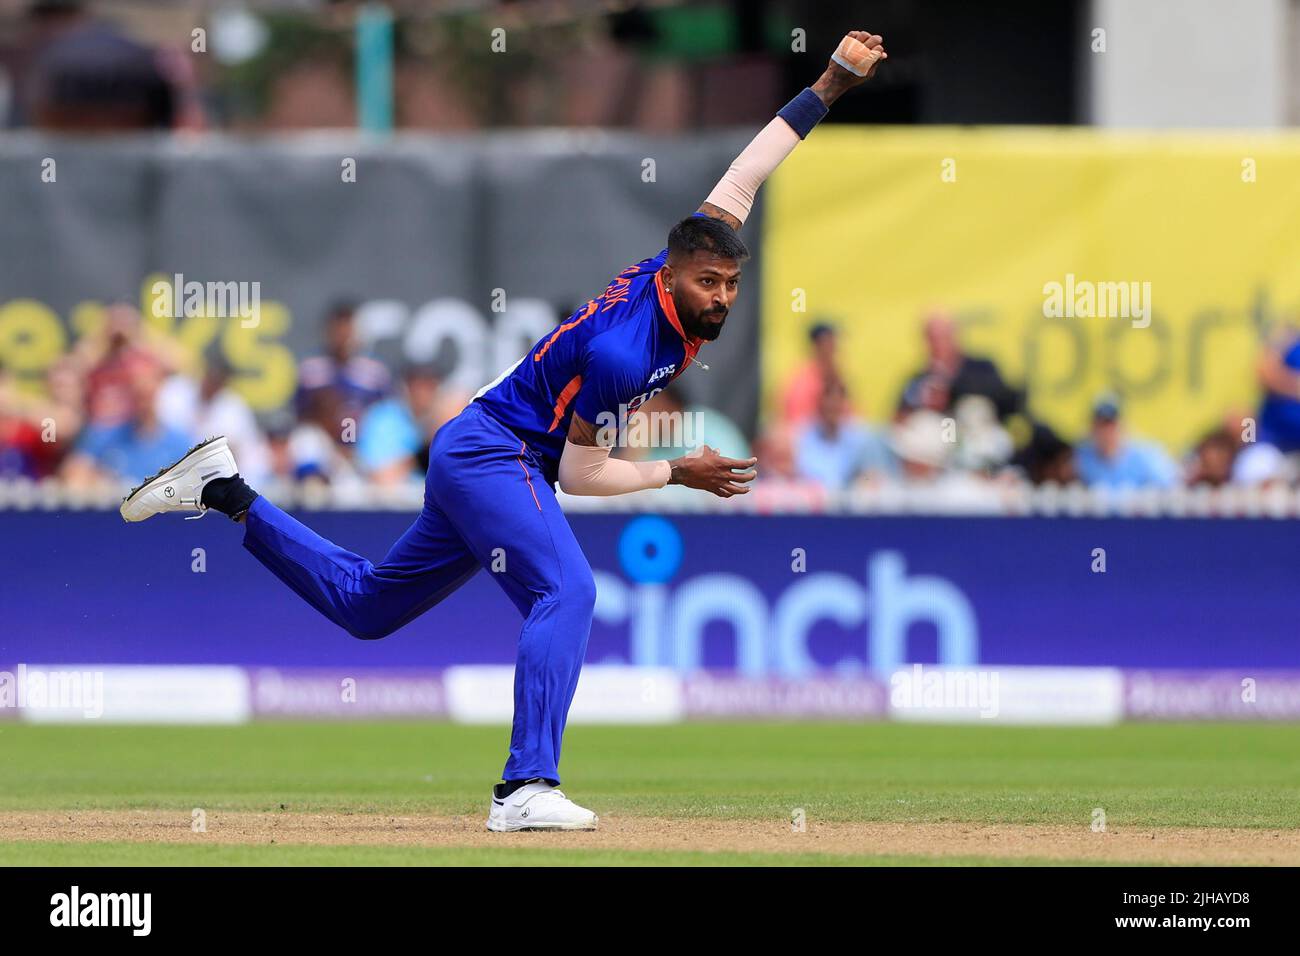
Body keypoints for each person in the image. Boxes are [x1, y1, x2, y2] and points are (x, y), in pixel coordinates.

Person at [117, 31, 887, 832]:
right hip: (495, 454)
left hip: (476, 451)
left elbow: (749, 168)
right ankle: (524, 788)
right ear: (671, 275)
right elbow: (582, 476)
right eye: (707, 284)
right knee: (570, 591)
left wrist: (830, 84)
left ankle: (225, 491)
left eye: (730, 283)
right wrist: (674, 472)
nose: (721, 297)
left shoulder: (688, 260)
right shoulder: (626, 352)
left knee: (369, 609)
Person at [1074, 395, 1177, 489]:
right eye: (1101, 426)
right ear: (1092, 428)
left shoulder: (1147, 456)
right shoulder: (1081, 458)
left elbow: (1169, 485)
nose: (1107, 432)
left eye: (1111, 425)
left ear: (1123, 425)